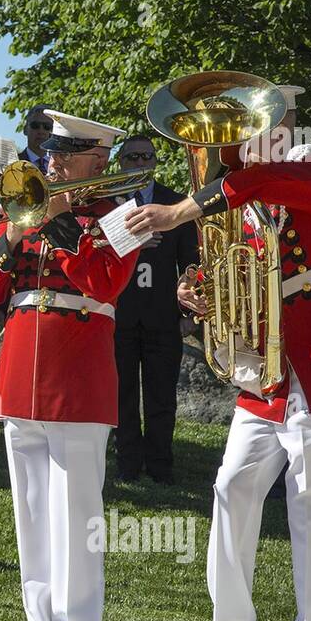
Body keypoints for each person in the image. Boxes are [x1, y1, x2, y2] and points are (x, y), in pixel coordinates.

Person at [126, 86, 311, 621]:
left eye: (249, 124)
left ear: (285, 125)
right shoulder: (248, 194)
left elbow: (250, 189)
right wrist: (201, 294)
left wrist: (176, 211)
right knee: (231, 489)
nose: (233, 139)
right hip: (266, 369)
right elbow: (243, 270)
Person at [0, 111, 140, 621]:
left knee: (76, 514)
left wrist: (61, 222)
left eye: (68, 154)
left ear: (100, 161)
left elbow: (104, 281)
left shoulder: (121, 215)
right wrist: (14, 233)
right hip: (21, 375)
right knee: (33, 515)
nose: (54, 161)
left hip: (79, 376)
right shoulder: (27, 210)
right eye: (53, 152)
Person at [112, 135, 198, 484]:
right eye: (132, 157)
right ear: (121, 163)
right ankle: (128, 465)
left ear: (155, 161)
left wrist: (189, 315)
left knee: (162, 396)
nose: (139, 163)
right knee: (123, 396)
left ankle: (161, 465)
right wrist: (132, 241)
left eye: (146, 156)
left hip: (164, 319)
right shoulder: (108, 204)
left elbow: (191, 264)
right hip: (119, 318)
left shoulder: (175, 204)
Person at [17, 105, 52, 172]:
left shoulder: (64, 165)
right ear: (25, 130)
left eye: (47, 126)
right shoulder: (9, 165)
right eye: (35, 125)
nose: (41, 131)